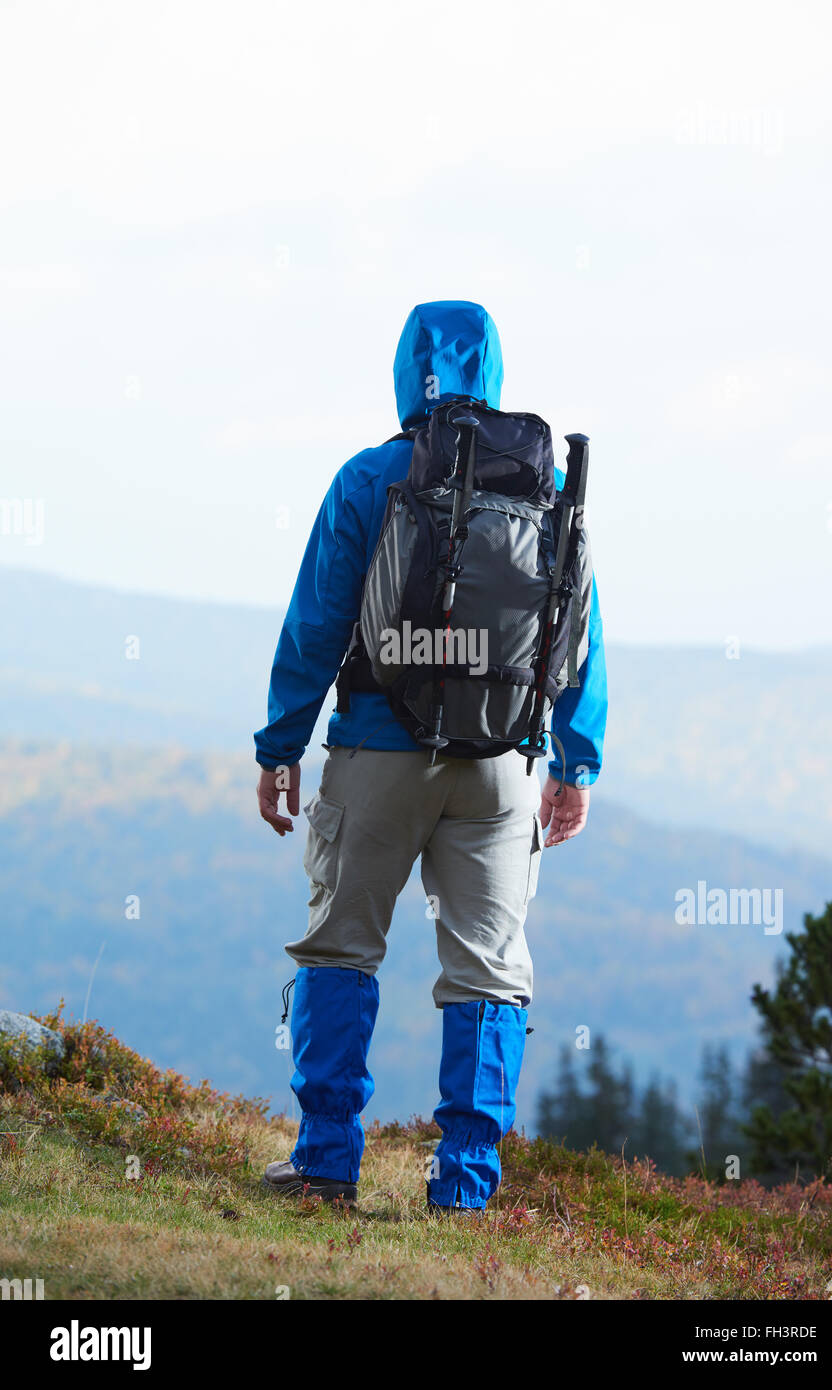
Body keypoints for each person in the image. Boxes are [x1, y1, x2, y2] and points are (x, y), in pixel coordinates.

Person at [254, 300, 607, 1211]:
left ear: (407, 370)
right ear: (494, 370)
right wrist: (575, 763)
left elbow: (316, 625)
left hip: (379, 749)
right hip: (503, 762)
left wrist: (280, 745)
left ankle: (325, 1163)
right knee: (488, 968)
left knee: (341, 948)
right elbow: (578, 631)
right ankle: (464, 1187)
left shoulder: (372, 476)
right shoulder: (542, 482)